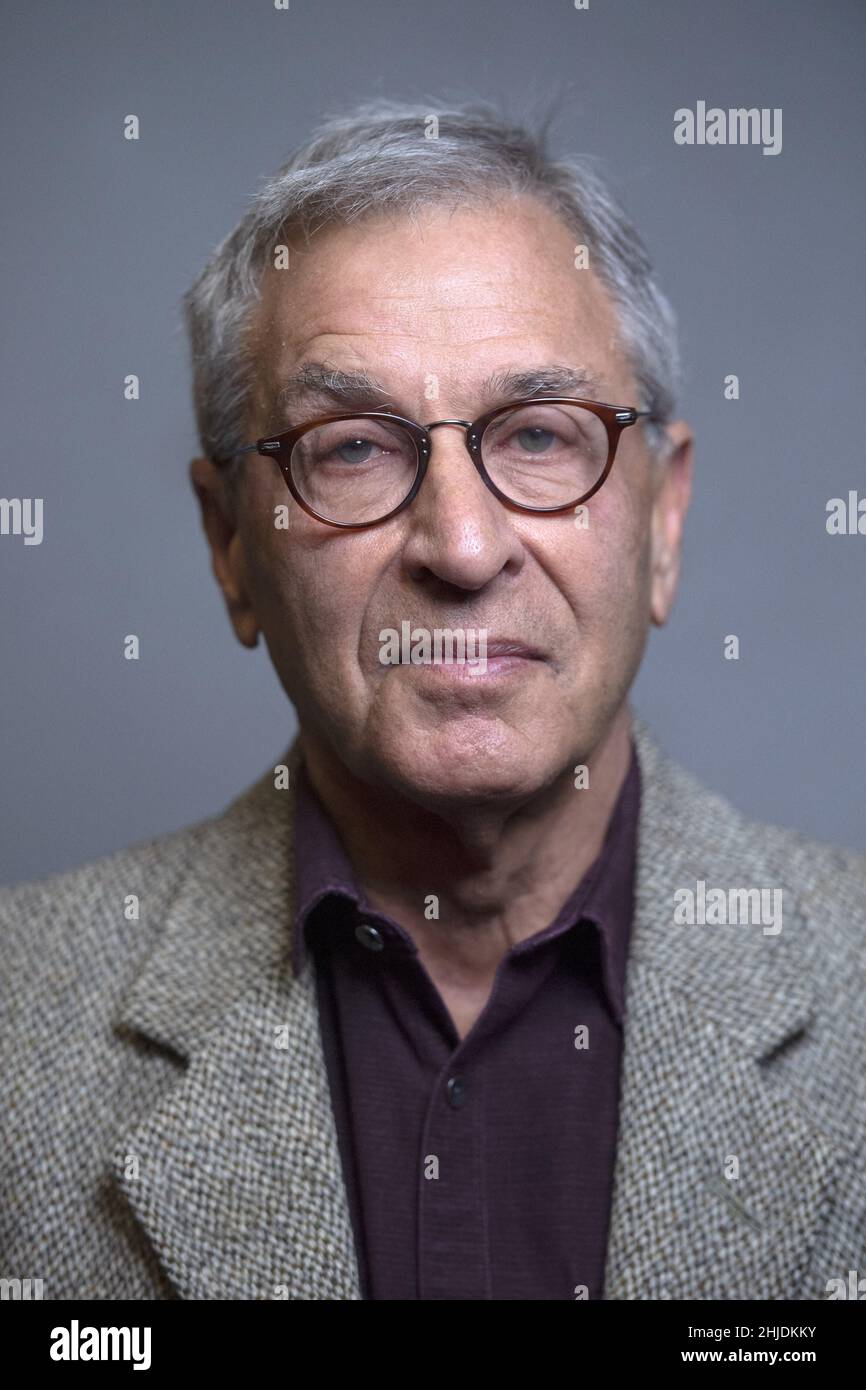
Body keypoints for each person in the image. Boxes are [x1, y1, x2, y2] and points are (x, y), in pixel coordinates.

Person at [3, 100, 864, 1301]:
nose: (461, 546)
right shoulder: (16, 1025)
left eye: (540, 437)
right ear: (230, 546)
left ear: (662, 524)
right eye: (351, 447)